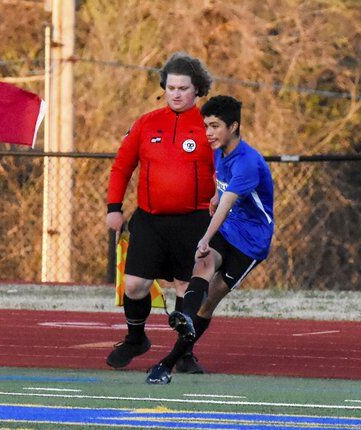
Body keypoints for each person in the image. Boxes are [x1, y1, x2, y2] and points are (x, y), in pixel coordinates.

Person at [146, 95, 275, 384]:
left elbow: (229, 201)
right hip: (229, 228)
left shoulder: (249, 162)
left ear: (234, 126)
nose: (209, 133)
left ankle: (170, 359)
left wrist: (205, 236)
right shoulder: (219, 152)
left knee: (209, 302)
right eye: (206, 126)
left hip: (251, 242)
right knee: (203, 264)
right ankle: (182, 328)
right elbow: (223, 190)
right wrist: (215, 197)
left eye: (215, 126)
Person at [105, 52, 215, 374]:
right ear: (164, 88)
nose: (177, 93)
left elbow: (227, 171)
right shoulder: (146, 123)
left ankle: (184, 352)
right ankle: (136, 339)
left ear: (197, 90)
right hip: (150, 220)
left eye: (183, 88)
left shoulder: (208, 126)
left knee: (185, 287)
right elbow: (121, 167)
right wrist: (114, 208)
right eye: (171, 87)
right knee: (135, 285)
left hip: (193, 221)